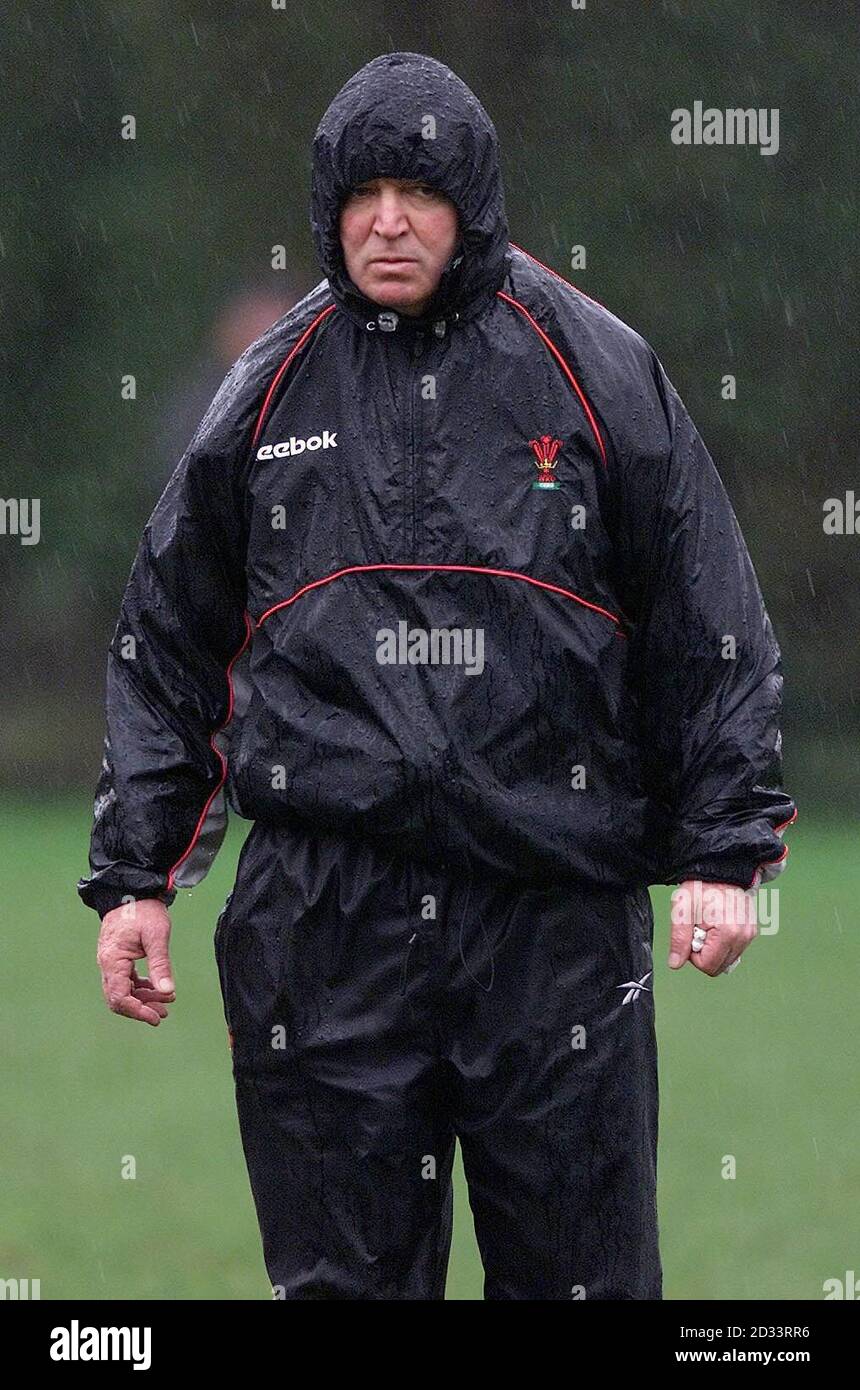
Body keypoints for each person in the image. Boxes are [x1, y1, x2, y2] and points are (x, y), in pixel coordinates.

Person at [79, 51, 797, 1300]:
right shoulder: (263, 392)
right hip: (321, 926)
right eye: (360, 194)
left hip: (552, 915)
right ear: (326, 209)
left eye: (418, 190)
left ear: (470, 200)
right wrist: (136, 875)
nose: (387, 221)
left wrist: (724, 846)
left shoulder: (596, 365)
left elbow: (707, 614)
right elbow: (166, 641)